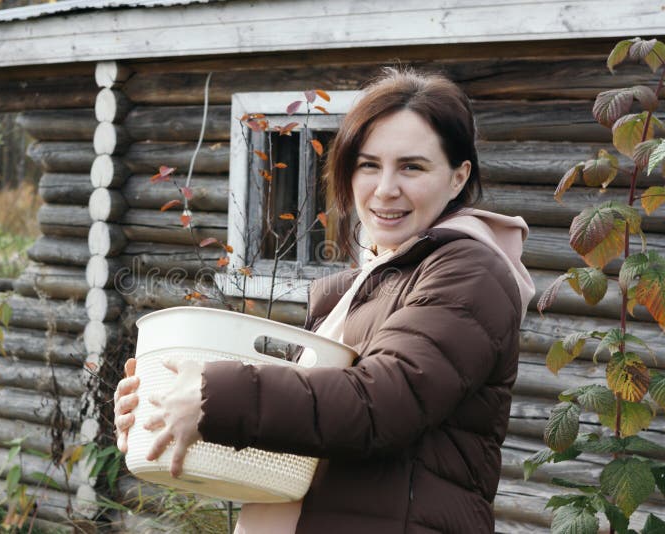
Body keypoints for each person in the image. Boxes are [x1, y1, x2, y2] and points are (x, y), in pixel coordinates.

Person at [114, 68, 535, 533]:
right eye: (368, 164)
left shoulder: (469, 272)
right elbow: (309, 427)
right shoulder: (362, 287)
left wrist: (217, 396)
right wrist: (166, 405)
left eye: (412, 166)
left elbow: (382, 402)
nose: (385, 188)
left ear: (458, 178)